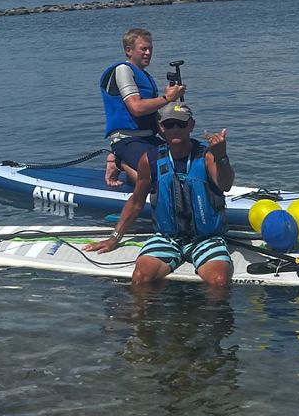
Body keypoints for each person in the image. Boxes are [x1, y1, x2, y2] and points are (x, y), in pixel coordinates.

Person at [86, 102, 235, 286]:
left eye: (181, 124)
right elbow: (136, 202)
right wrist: (114, 238)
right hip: (167, 238)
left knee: (219, 281)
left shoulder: (207, 156)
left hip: (206, 238)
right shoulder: (150, 160)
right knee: (141, 278)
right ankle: (144, 314)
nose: (175, 129)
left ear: (191, 125)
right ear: (161, 128)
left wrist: (221, 157)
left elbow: (226, 184)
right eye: (169, 125)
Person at [100, 28, 186, 187]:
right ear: (129, 51)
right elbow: (136, 108)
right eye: (143, 49)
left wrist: (174, 135)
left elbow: (154, 115)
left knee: (183, 165)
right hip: (126, 139)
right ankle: (119, 162)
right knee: (157, 179)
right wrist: (167, 98)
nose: (148, 53)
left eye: (150, 49)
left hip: (148, 138)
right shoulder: (123, 70)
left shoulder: (147, 77)